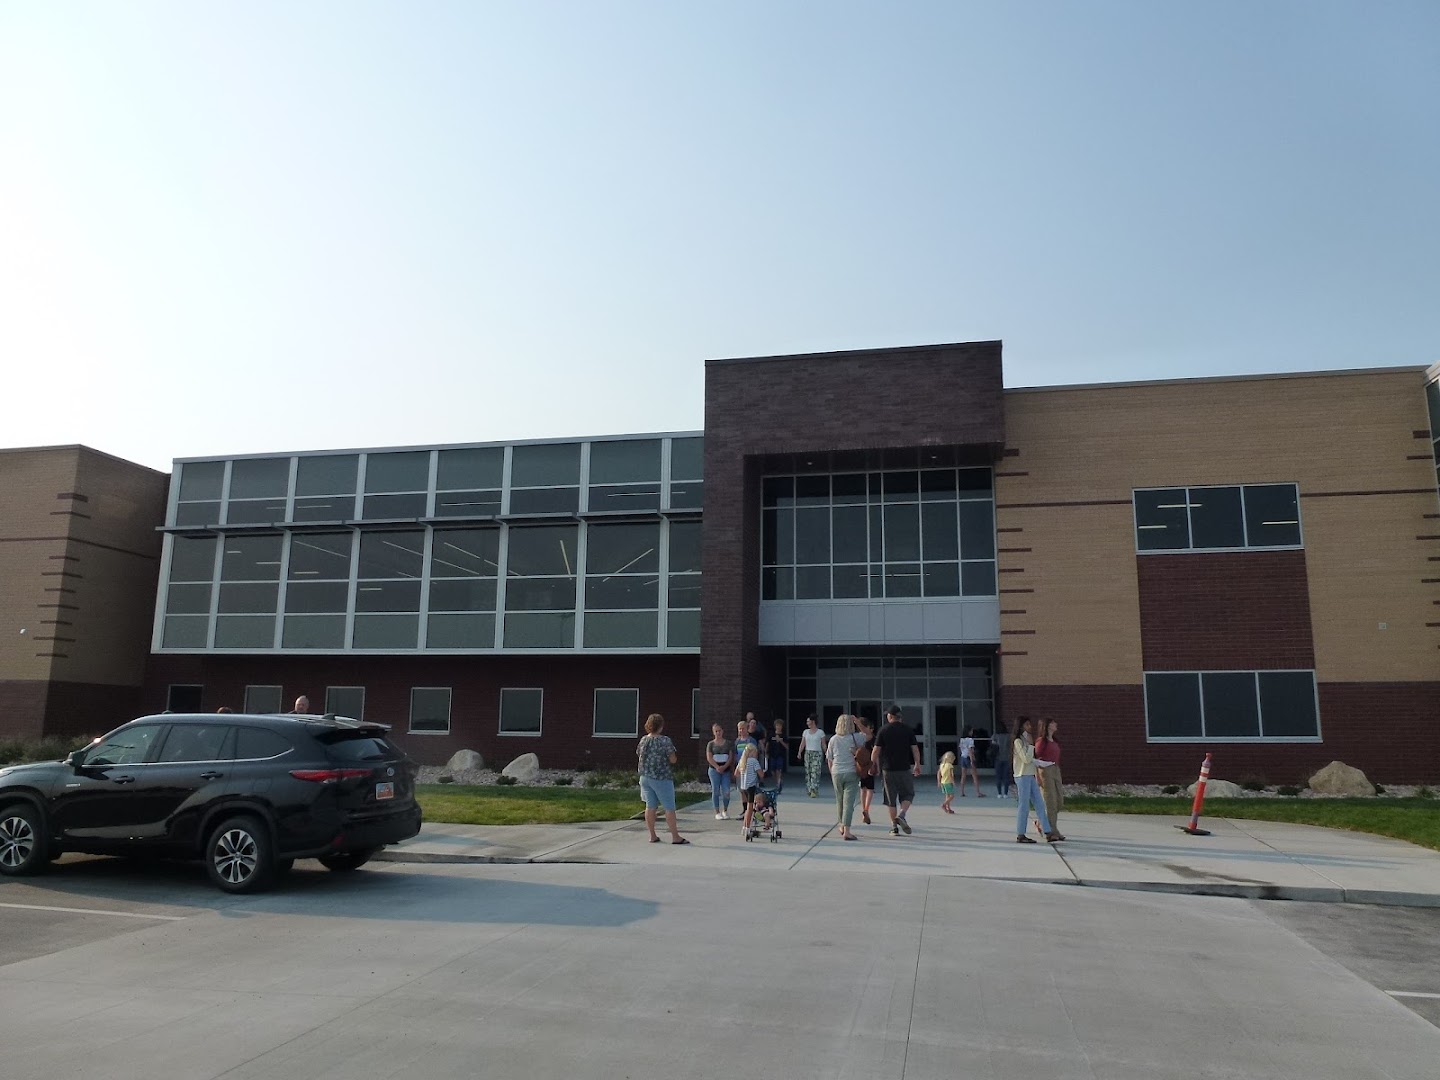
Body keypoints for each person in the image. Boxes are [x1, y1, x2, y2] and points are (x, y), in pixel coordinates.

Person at [637, 713, 688, 844]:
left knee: (650, 806)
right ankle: (675, 837)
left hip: (645, 776)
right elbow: (673, 759)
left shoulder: (643, 740)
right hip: (661, 777)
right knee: (669, 807)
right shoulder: (665, 740)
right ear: (660, 726)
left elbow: (639, 754)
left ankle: (652, 835)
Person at [1012, 716, 1062, 843]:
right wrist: (1030, 745)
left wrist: (1040, 766)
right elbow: (1026, 759)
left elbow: (1032, 760)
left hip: (1030, 775)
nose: (1030, 727)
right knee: (1024, 805)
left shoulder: (1027, 740)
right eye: (1027, 724)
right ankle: (1021, 834)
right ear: (1021, 726)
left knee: (1040, 804)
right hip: (1022, 776)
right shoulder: (1018, 741)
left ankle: (1048, 831)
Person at [874, 705, 921, 836]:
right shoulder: (908, 730)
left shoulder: (883, 730)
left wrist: (874, 765)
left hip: (888, 769)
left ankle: (894, 827)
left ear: (890, 716)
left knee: (890, 799)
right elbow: (915, 749)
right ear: (900, 717)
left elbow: (876, 750)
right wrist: (917, 764)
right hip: (904, 768)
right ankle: (902, 814)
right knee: (908, 794)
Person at [825, 714, 866, 840]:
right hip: (851, 771)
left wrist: (832, 772)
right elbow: (867, 734)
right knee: (849, 803)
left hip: (837, 772)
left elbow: (829, 758)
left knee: (839, 800)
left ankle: (841, 825)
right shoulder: (856, 737)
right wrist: (858, 722)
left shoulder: (833, 739)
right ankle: (847, 831)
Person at [1035, 719, 1066, 839]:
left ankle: (1041, 822)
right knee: (1050, 802)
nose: (1055, 724)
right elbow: (1035, 759)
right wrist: (1037, 776)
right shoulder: (1041, 742)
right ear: (1047, 726)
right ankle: (1052, 831)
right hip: (1045, 771)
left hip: (1055, 769)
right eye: (1053, 723)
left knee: (1059, 801)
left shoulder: (1055, 741)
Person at [735, 741, 767, 838]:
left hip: (743, 787)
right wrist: (763, 771)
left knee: (747, 809)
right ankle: (747, 828)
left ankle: (744, 827)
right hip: (751, 786)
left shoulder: (741, 761)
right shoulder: (753, 761)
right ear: (752, 752)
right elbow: (761, 774)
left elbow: (736, 773)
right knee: (750, 809)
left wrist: (744, 773)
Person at [705, 722, 734, 820]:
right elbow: (709, 757)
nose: (718, 733)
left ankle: (725, 810)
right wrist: (717, 767)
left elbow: (730, 757)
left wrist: (724, 767)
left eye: (719, 731)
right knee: (716, 790)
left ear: (722, 731)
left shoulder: (728, 743)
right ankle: (717, 812)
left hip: (726, 770)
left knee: (726, 791)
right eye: (716, 731)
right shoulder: (710, 744)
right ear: (713, 732)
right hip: (714, 770)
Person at [856, 716, 878, 824]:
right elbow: (876, 754)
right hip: (869, 765)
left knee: (863, 788)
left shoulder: (860, 738)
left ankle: (864, 809)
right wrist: (877, 766)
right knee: (869, 789)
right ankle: (866, 809)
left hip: (861, 766)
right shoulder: (873, 739)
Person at [798, 714, 827, 798]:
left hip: (817, 753)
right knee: (808, 772)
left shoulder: (820, 732)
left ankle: (814, 789)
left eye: (808, 721)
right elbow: (803, 743)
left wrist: (827, 754)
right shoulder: (805, 732)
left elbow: (823, 744)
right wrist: (799, 752)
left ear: (813, 721)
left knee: (815, 772)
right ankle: (809, 789)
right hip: (808, 753)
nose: (807, 723)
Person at [958, 729, 984, 798]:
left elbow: (961, 749)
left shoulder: (962, 739)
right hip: (968, 758)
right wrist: (972, 760)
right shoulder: (970, 740)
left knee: (963, 775)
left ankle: (962, 792)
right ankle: (978, 792)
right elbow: (970, 750)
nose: (972, 732)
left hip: (963, 757)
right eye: (971, 731)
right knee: (974, 776)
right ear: (968, 731)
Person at [991, 727, 1014, 798]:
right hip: (1006, 758)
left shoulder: (995, 736)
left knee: (998, 776)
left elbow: (992, 744)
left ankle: (999, 793)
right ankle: (1005, 794)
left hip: (998, 758)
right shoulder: (1008, 736)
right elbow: (1011, 746)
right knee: (1006, 776)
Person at [767, 719, 788, 791]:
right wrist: (766, 752)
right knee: (772, 770)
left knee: (778, 769)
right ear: (775, 726)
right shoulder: (771, 735)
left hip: (780, 755)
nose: (778, 727)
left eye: (780, 725)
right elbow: (767, 744)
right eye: (777, 725)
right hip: (772, 754)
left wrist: (781, 741)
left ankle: (778, 784)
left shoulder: (784, 735)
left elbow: (787, 747)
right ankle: (778, 781)